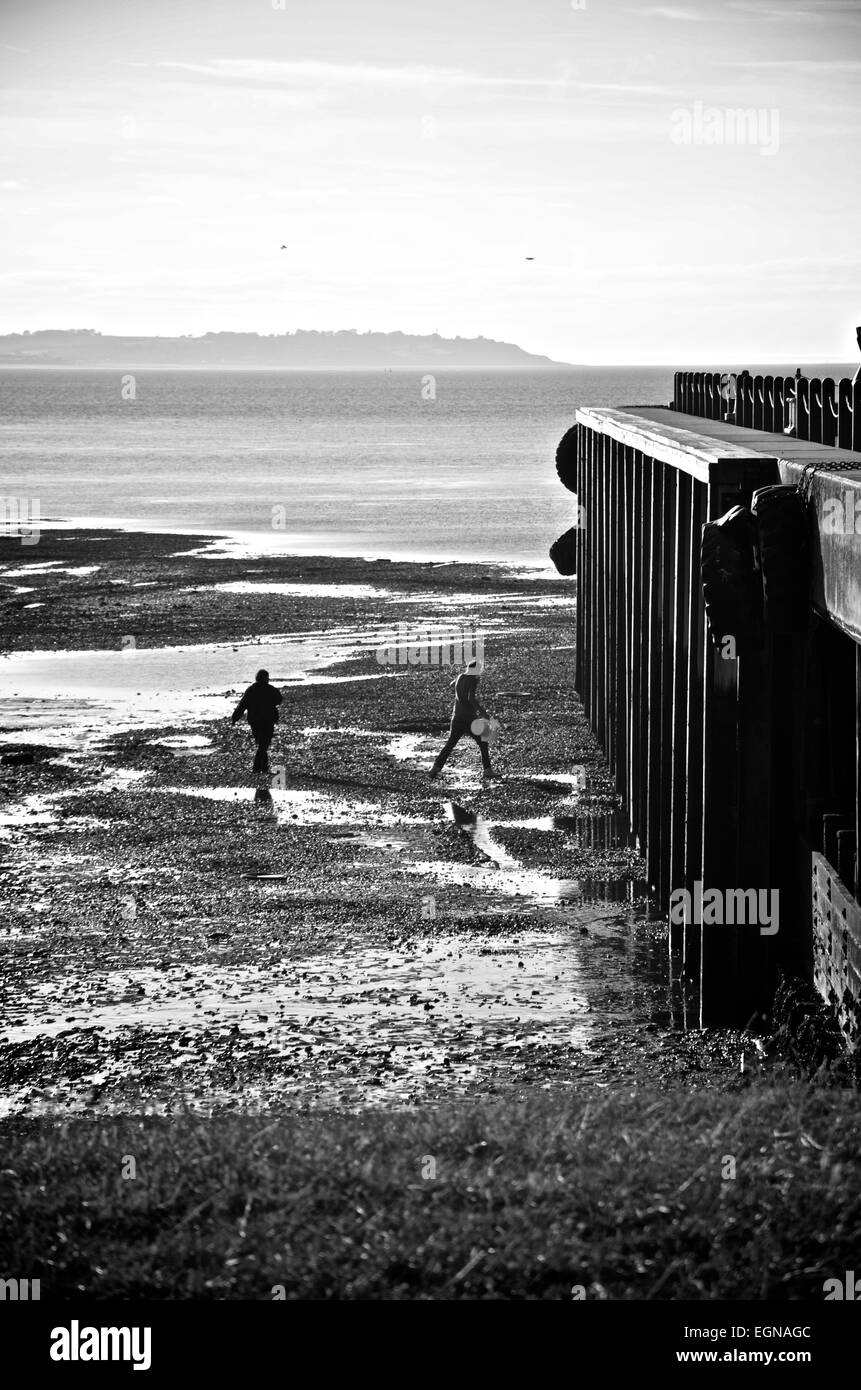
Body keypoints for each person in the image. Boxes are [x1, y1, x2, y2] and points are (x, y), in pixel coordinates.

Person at [429, 658, 494, 782]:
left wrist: (459, 684)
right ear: (475, 670)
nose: (480, 673)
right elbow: (471, 698)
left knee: (450, 744)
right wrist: (484, 714)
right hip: (468, 718)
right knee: (483, 741)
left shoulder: (460, 677)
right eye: (479, 670)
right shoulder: (473, 679)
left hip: (457, 717)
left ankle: (435, 768)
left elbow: (452, 684)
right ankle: (487, 770)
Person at [231, 669, 283, 774]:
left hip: (254, 721)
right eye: (267, 677)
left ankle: (264, 768)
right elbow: (279, 700)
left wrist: (235, 717)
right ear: (265, 678)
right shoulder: (270, 689)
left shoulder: (251, 690)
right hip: (267, 721)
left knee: (261, 744)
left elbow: (242, 705)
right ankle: (256, 768)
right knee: (263, 745)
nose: (268, 679)